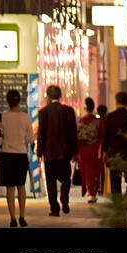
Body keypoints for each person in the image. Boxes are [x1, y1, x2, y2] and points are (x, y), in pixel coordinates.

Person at [0, 87, 34, 227]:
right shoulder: (25, 117)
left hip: (6, 155)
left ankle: (13, 219)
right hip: (21, 155)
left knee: (10, 189)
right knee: (21, 187)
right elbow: (30, 138)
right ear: (20, 101)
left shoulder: (2, 116)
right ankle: (22, 216)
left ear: (7, 101)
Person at [36, 84, 78, 215]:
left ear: (48, 96)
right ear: (60, 96)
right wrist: (74, 151)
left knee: (51, 181)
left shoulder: (43, 112)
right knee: (66, 178)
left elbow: (41, 134)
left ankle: (54, 208)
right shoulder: (69, 111)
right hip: (64, 152)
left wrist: (39, 152)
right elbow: (73, 133)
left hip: (49, 152)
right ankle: (64, 196)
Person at [102, 91, 127, 194]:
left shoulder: (109, 117)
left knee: (115, 181)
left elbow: (106, 137)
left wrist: (104, 152)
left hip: (113, 153)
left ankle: (117, 203)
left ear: (116, 101)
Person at [76, 97, 103, 203]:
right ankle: (93, 192)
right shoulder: (98, 121)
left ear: (84, 107)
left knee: (87, 172)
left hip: (84, 149)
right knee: (95, 171)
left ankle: (89, 192)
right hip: (95, 149)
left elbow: (77, 136)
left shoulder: (81, 121)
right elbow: (101, 136)